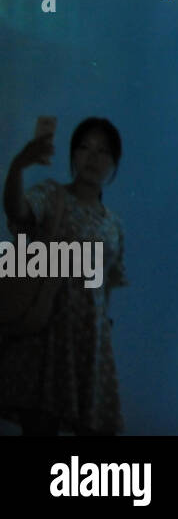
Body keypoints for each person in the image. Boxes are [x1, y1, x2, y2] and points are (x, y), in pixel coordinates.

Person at [0, 117, 129, 436]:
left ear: (114, 164)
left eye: (103, 151)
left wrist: (104, 332)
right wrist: (18, 166)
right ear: (72, 156)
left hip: (88, 343)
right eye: (85, 147)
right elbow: (18, 211)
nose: (93, 158)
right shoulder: (51, 196)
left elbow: (106, 285)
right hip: (44, 336)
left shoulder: (114, 225)